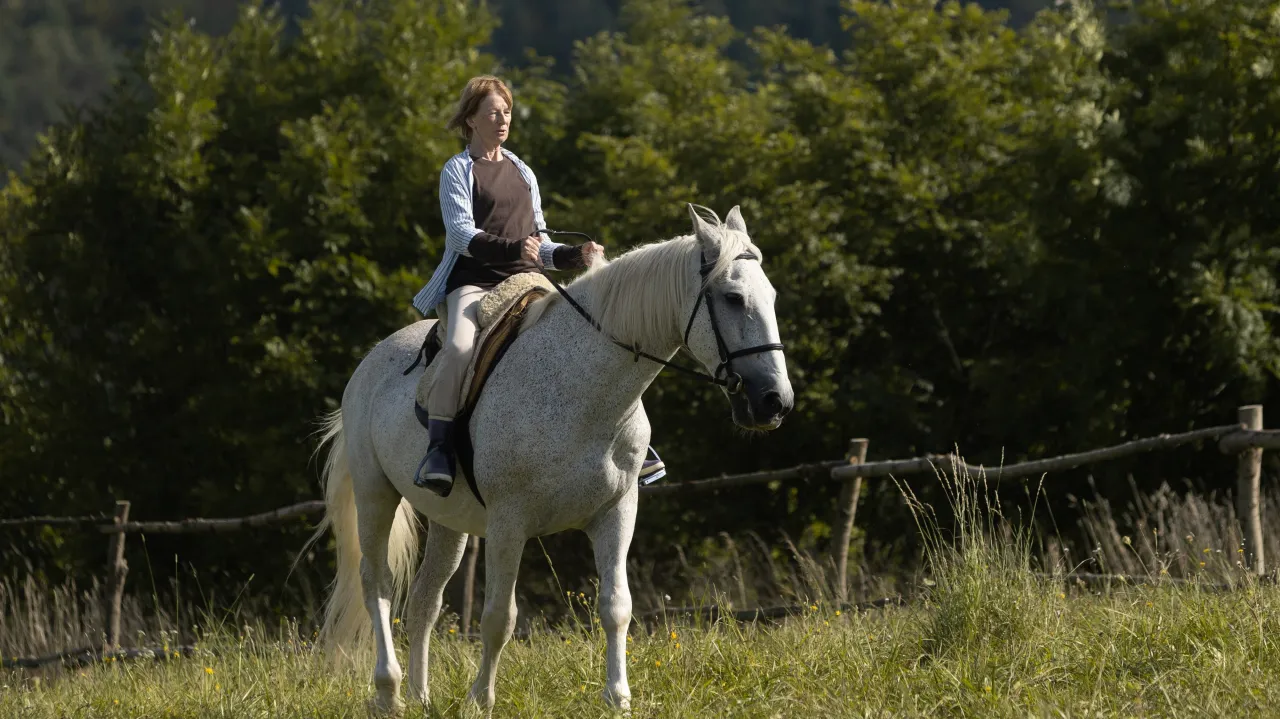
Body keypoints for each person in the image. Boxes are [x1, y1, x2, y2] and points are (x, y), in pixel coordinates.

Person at [410, 75, 667, 497]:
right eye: (494, 112)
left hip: (525, 283)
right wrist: (518, 248)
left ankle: (632, 442)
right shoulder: (457, 170)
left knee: (589, 333)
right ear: (471, 119)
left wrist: (572, 257)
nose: (503, 118)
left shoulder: (522, 171)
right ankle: (438, 450)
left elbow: (540, 243)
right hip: (472, 286)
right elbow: (461, 236)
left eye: (507, 111)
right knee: (457, 347)